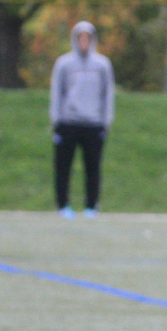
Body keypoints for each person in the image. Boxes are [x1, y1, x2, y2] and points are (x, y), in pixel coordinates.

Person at [50, 21, 115, 219]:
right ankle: (63, 205)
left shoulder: (102, 65)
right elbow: (57, 93)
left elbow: (108, 94)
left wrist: (106, 121)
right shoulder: (64, 64)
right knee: (63, 167)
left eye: (88, 38)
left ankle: (91, 206)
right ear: (75, 39)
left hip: (93, 124)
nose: (84, 41)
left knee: (93, 168)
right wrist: (56, 121)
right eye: (81, 37)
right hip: (68, 123)